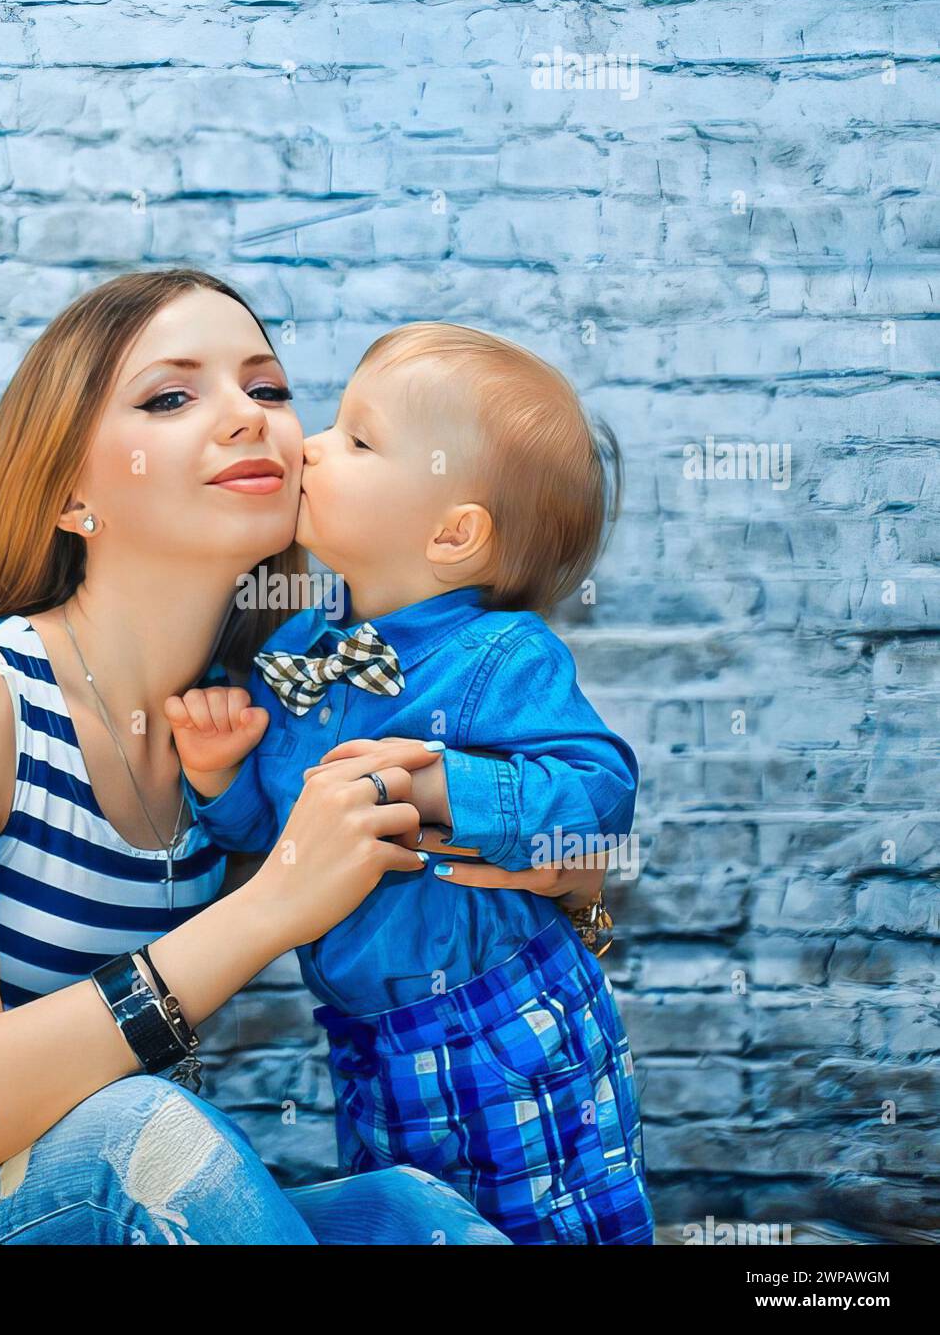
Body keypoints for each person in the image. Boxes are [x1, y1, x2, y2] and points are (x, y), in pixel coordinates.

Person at [0, 268, 514, 1245]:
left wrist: (539, 852)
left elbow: (433, 873)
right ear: (70, 494)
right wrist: (272, 900)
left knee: (400, 1213)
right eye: (172, 396)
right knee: (136, 1131)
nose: (248, 419)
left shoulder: (240, 742)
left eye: (267, 389)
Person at [168, 322, 655, 1243]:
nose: (310, 446)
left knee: (554, 1223)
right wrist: (220, 778)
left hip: (506, 1023)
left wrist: (447, 786)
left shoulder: (498, 655)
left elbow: (598, 796)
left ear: (454, 533)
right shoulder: (298, 652)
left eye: (357, 440)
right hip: (365, 1040)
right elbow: (272, 841)